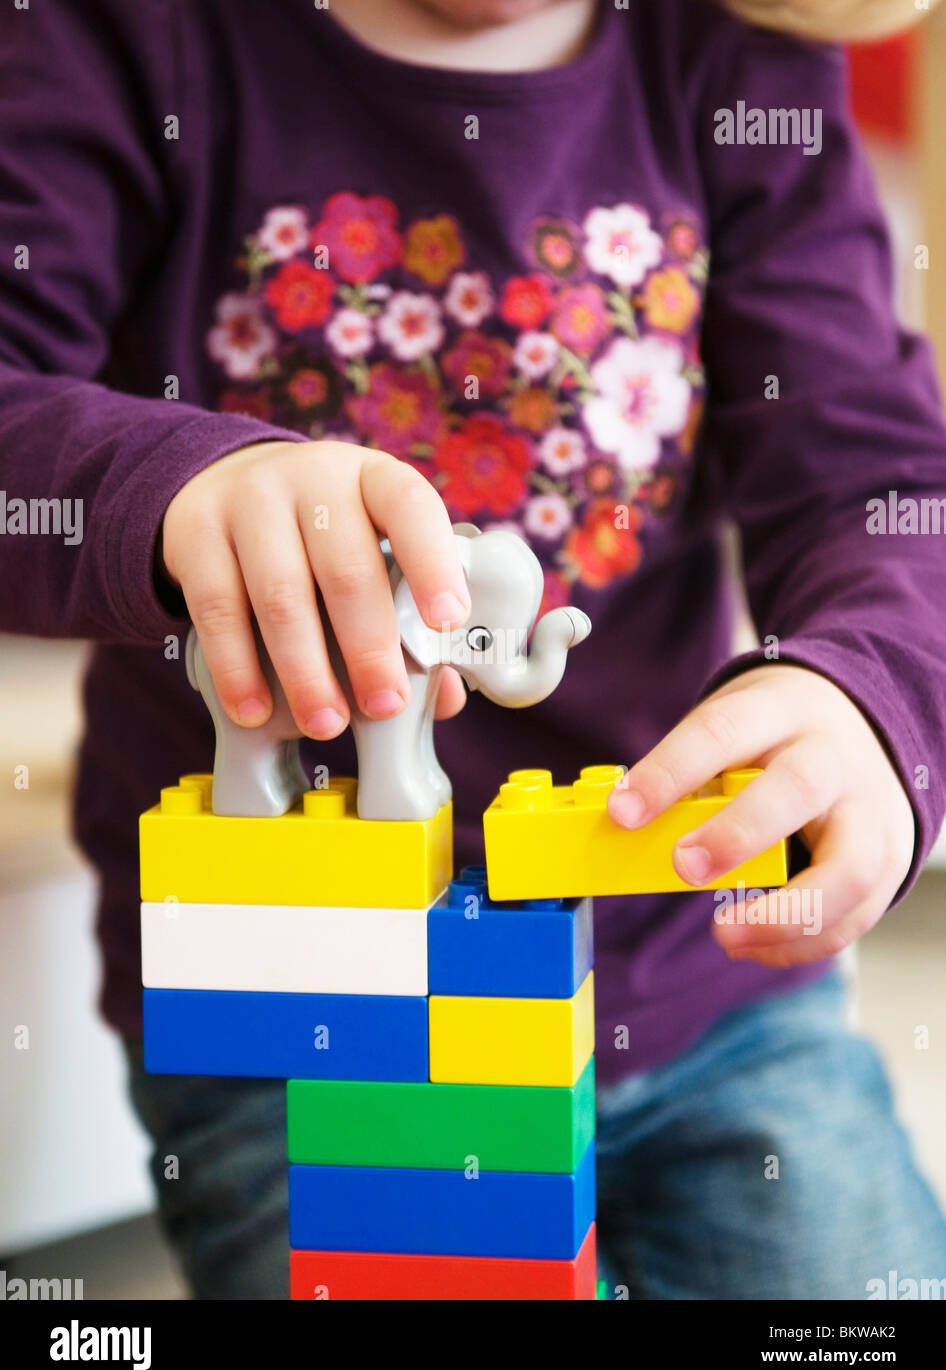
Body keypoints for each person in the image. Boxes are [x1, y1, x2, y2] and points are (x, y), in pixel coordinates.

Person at [2, 0, 945, 1300]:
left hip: (693, 973)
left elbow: (870, 477)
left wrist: (871, 692)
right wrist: (165, 494)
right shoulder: (121, 35)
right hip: (306, 998)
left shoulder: (736, 52)